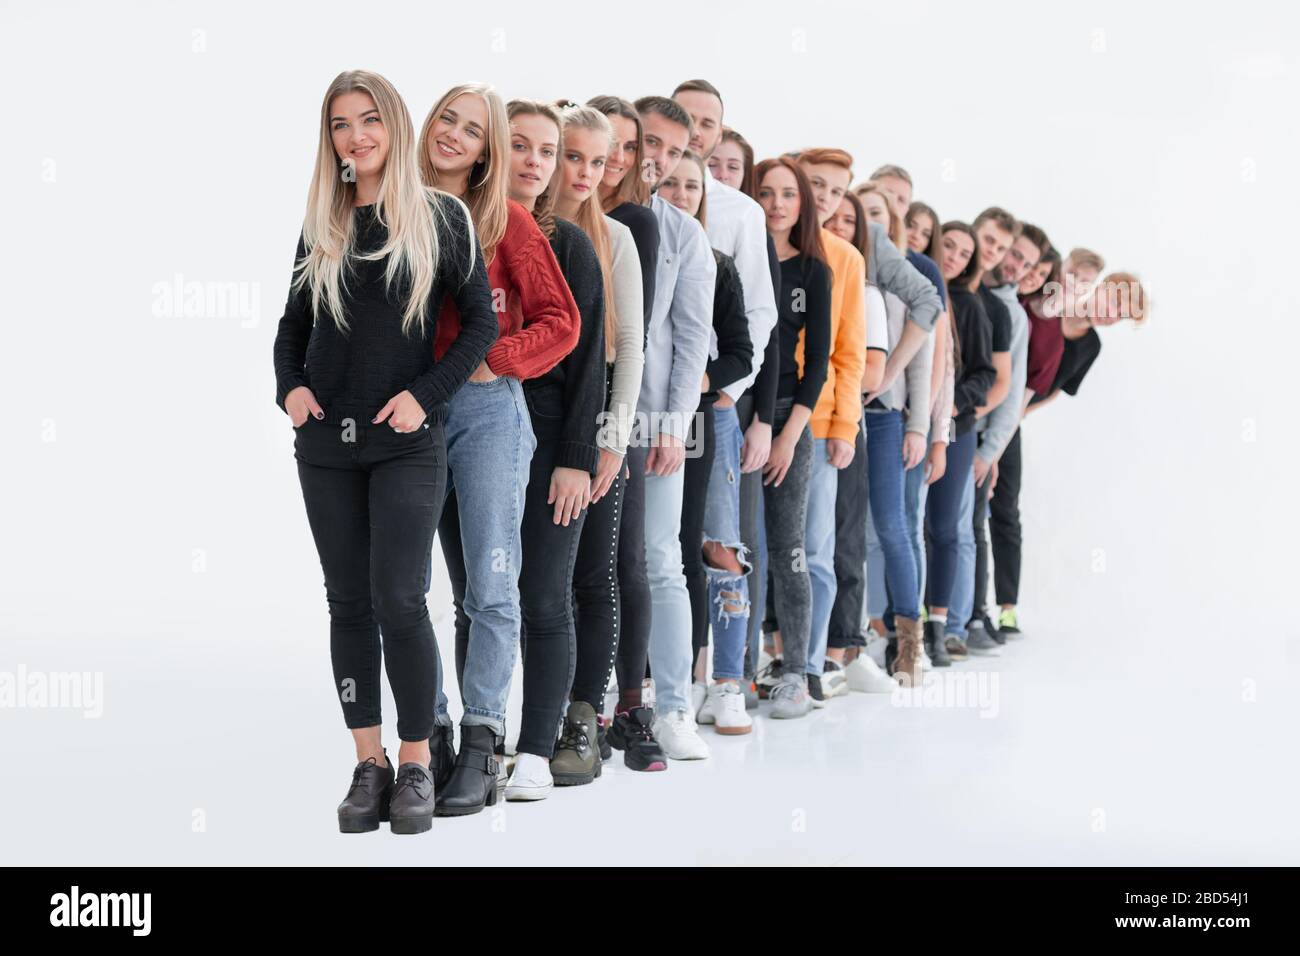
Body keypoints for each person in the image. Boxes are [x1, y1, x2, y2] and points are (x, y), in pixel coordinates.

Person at [274, 70, 498, 833]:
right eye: (341, 124)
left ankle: (414, 764)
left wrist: (424, 397)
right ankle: (366, 764)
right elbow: (291, 327)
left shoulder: (439, 218)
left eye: (369, 121)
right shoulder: (323, 220)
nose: (356, 136)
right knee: (348, 603)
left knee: (401, 599)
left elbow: (479, 328)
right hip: (326, 449)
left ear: (394, 128)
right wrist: (290, 389)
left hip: (406, 445)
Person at [417, 83, 582, 816]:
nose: (454, 135)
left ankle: (486, 739)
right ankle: (435, 736)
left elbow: (563, 320)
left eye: (472, 128)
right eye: (445, 119)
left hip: (486, 413)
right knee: (408, 588)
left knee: (490, 585)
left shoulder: (505, 219)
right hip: (409, 416)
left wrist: (499, 359)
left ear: (489, 149)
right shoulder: (392, 212)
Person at [498, 100, 607, 801]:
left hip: (550, 441)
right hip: (470, 436)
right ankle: (486, 739)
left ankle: (537, 749)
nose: (537, 162)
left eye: (548, 150)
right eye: (521, 147)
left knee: (544, 594)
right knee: (484, 598)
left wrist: (577, 455)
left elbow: (591, 357)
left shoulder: (568, 243)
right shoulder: (456, 229)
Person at [671, 81, 777, 720]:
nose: (698, 129)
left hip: (713, 400)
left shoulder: (740, 212)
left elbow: (758, 317)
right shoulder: (648, 200)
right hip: (654, 402)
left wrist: (728, 394)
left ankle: (729, 680)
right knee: (661, 545)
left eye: (708, 121)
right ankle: (668, 680)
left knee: (721, 540)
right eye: (687, 118)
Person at [552, 101, 647, 785]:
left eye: (597, 159)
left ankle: (585, 716)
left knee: (593, 574)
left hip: (599, 415)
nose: (586, 172)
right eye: (573, 157)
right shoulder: (520, 224)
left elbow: (632, 348)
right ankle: (533, 711)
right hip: (533, 409)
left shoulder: (615, 239)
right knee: (536, 580)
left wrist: (613, 439)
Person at [658, 148, 755, 734]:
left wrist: (699, 378)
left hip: (696, 418)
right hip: (636, 415)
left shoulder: (720, 265)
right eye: (669, 183)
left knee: (699, 542)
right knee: (647, 546)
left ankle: (710, 679)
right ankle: (648, 680)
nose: (681, 194)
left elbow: (742, 351)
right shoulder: (635, 247)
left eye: (692, 186)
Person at [633, 95, 716, 758]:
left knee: (661, 559)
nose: (653, 157)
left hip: (655, 419)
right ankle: (607, 699)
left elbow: (692, 339)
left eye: (667, 148)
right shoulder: (582, 212)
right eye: (645, 141)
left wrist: (672, 424)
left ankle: (675, 707)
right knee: (591, 567)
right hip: (583, 415)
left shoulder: (684, 234)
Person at [586, 94, 665, 770]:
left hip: (620, 400)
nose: (613, 157)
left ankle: (633, 706)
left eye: (627, 147)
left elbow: (637, 333)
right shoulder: (552, 217)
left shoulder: (633, 222)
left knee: (626, 560)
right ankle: (579, 704)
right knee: (573, 568)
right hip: (557, 399)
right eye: (601, 143)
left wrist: (621, 423)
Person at [752, 156, 832, 717]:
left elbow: (818, 364)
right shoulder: (743, 257)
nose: (777, 203)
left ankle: (798, 672)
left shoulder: (813, 272)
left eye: (788, 194)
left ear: (801, 204)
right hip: (736, 413)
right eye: (767, 192)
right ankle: (733, 669)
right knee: (737, 548)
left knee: (789, 549)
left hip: (789, 419)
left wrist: (787, 437)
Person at [916, 222, 996, 685]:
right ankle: (896, 624)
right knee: (909, 528)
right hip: (907, 422)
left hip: (955, 427)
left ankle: (939, 625)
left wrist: (948, 408)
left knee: (946, 527)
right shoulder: (917, 287)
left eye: (965, 253)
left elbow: (984, 376)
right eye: (949, 245)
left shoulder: (969, 306)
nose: (955, 257)